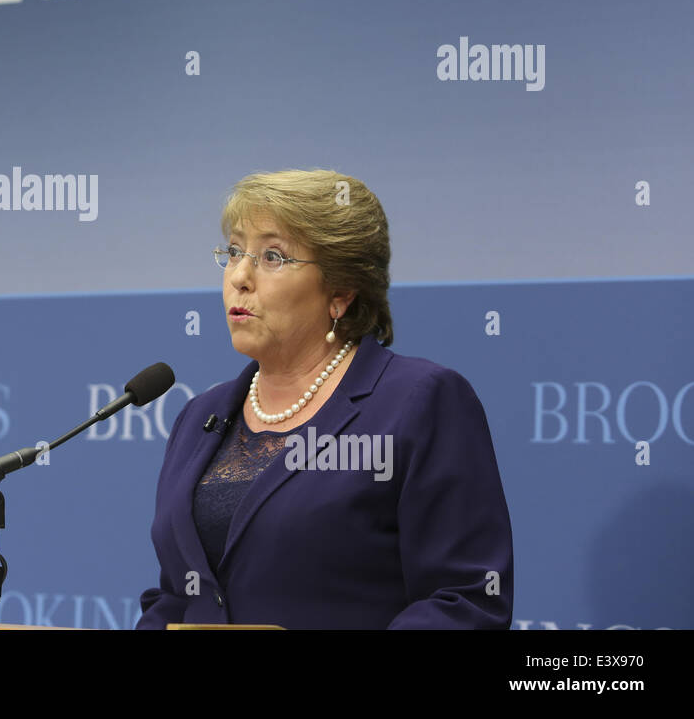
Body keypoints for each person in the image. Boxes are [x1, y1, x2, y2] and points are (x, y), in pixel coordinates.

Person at [136, 169, 513, 629]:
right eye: (234, 251)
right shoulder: (201, 416)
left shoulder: (418, 402)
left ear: (340, 292)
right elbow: (177, 596)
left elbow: (465, 600)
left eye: (272, 256)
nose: (239, 276)